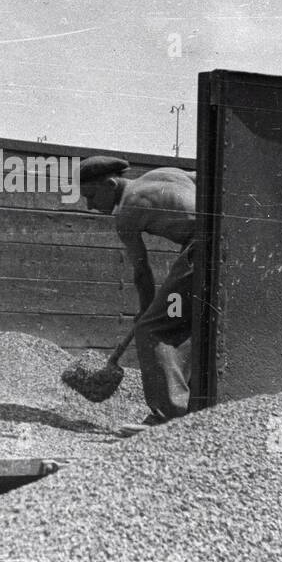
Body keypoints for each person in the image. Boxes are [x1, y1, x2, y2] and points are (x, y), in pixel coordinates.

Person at [78, 155, 196, 432]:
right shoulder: (165, 173)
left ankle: (168, 419)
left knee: (152, 330)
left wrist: (144, 313)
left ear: (110, 184)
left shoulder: (127, 213)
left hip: (200, 247)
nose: (90, 206)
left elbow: (142, 273)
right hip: (220, 238)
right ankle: (193, 411)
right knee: (187, 326)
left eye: (92, 195)